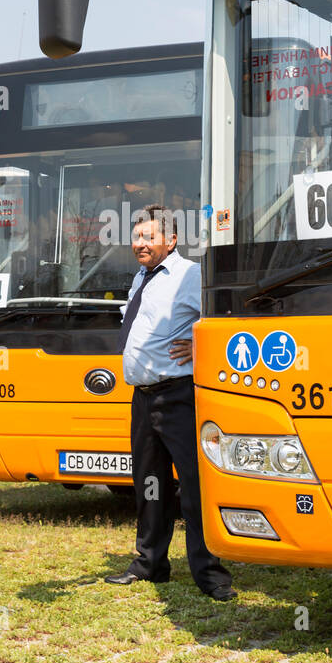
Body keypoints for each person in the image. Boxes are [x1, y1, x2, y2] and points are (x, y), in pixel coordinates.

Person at [105, 204, 236, 601]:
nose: (140, 244)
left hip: (179, 396)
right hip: (142, 399)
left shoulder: (191, 275)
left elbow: (226, 320)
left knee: (194, 488)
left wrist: (199, 347)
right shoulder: (140, 278)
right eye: (137, 237)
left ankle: (209, 573)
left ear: (172, 240)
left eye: (149, 237)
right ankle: (150, 563)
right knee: (149, 484)